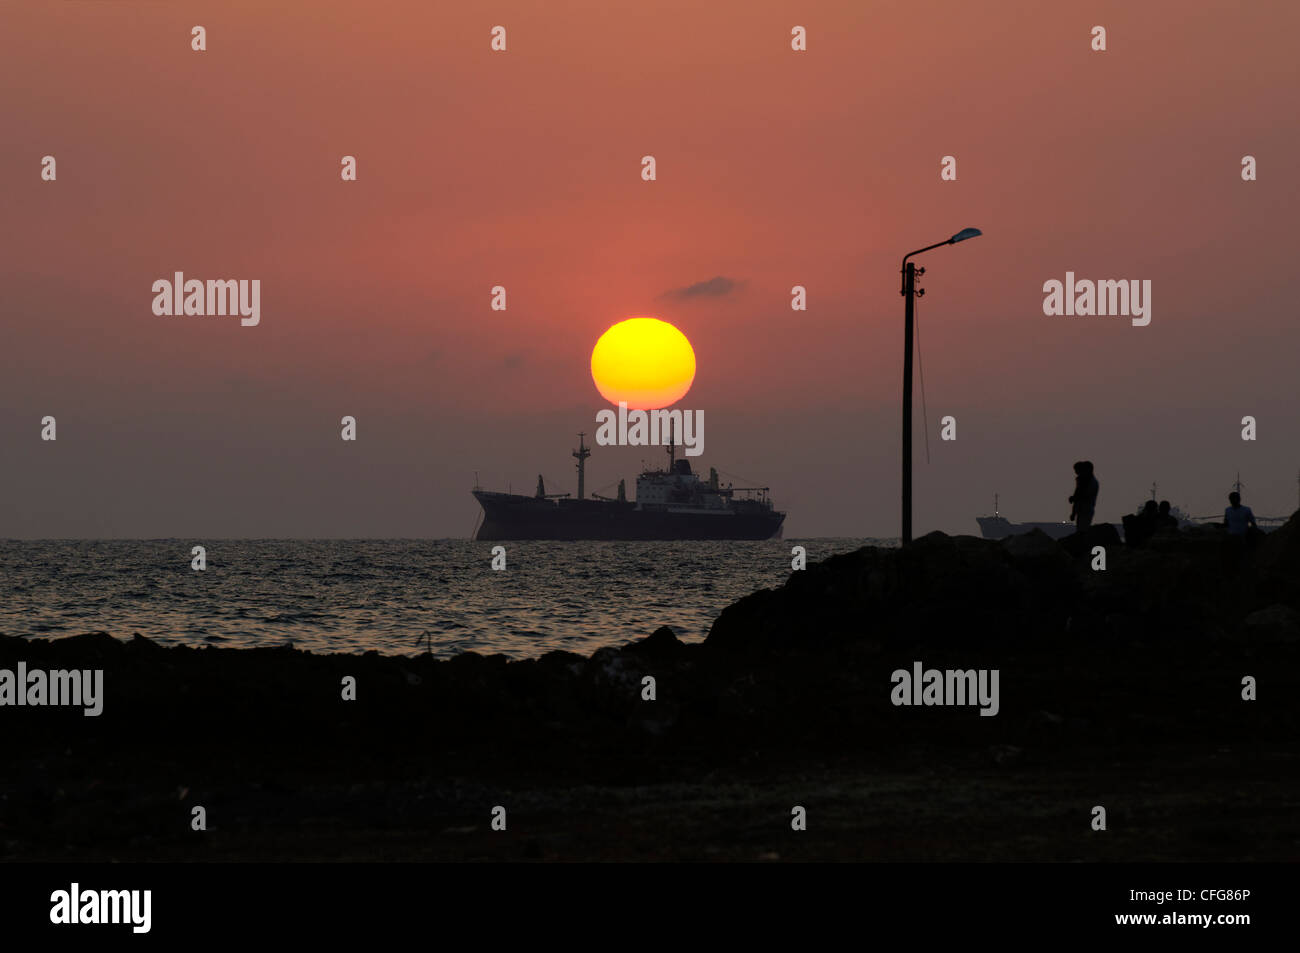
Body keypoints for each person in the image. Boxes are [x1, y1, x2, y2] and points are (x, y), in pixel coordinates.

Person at [1069, 461, 1100, 532]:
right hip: (1082, 509)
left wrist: (1074, 499)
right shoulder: (1084, 481)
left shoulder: (1091, 482)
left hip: (1086, 509)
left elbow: (1083, 496)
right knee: (1081, 530)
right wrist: (1073, 513)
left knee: (1082, 531)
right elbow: (1078, 496)